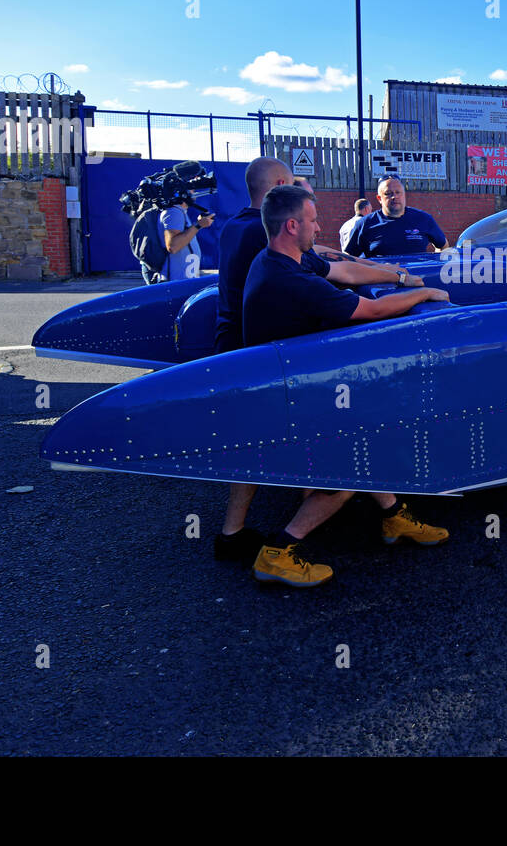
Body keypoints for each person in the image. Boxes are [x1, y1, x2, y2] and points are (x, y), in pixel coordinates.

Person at [212, 159, 426, 569]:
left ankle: (392, 515)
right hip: (275, 379)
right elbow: (371, 309)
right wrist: (423, 292)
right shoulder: (286, 272)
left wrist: (395, 275)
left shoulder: (267, 248)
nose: (319, 227)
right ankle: (280, 551)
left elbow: (338, 263)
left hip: (260, 367)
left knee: (264, 448)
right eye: (312, 219)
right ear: (290, 224)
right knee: (348, 464)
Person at [344, 177, 446, 258]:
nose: (394, 197)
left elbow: (443, 246)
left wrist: (434, 265)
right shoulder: (364, 224)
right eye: (388, 194)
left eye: (398, 192)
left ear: (404, 194)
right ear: (379, 198)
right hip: (380, 282)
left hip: (418, 281)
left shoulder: (424, 219)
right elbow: (349, 258)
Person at [159, 195, 214, 281]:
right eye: (191, 190)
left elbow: (185, 237)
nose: (194, 192)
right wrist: (198, 225)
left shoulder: (180, 212)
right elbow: (173, 246)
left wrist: (199, 224)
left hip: (185, 280)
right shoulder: (174, 212)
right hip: (175, 282)